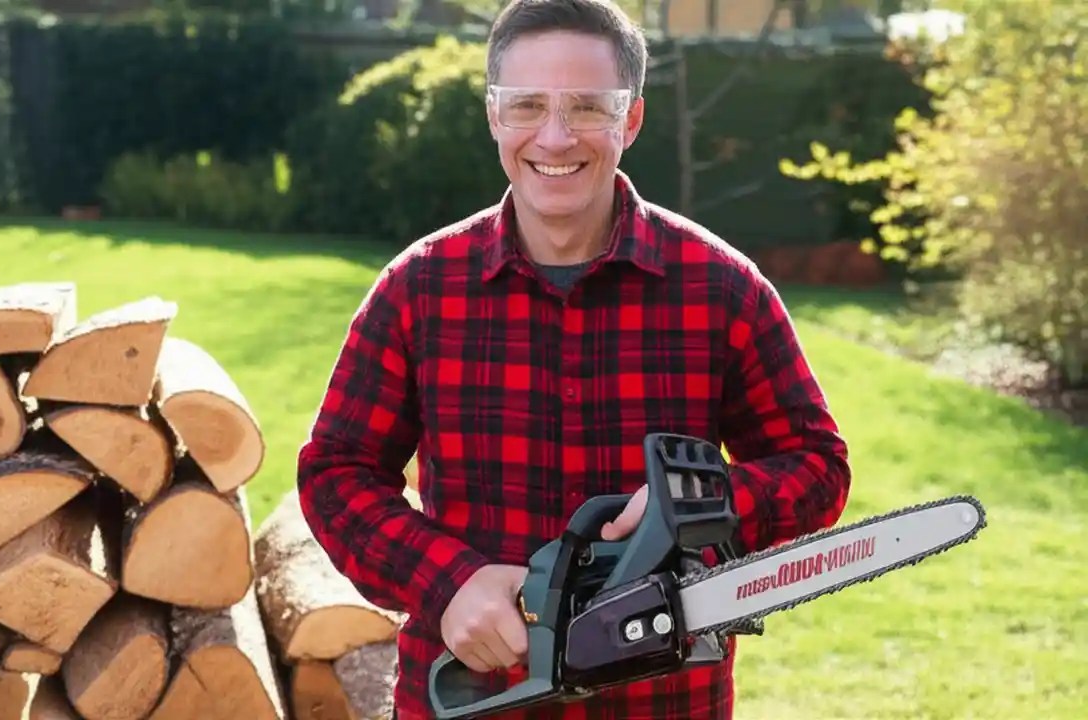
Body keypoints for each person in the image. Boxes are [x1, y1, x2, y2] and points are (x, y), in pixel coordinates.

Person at [295, 0, 852, 716]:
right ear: (494, 115)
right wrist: (450, 582)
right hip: (474, 695)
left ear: (631, 120)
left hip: (662, 701)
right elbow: (337, 472)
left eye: (588, 107)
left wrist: (700, 507)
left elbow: (816, 464)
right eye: (527, 105)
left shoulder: (721, 289)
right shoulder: (419, 289)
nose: (554, 138)